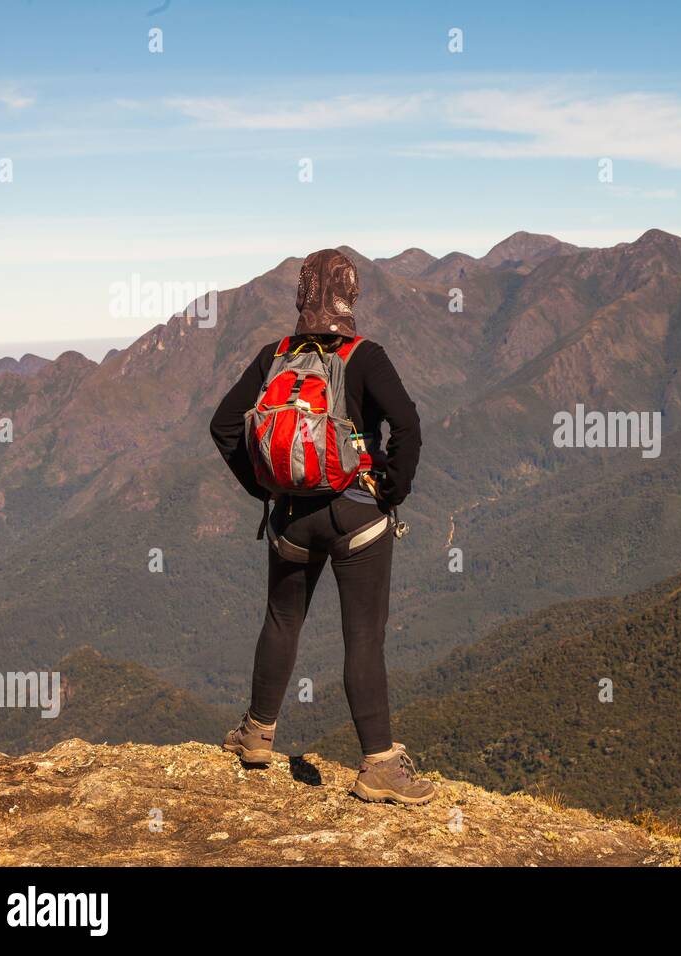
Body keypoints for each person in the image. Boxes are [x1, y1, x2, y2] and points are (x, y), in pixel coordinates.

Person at [209, 248, 433, 804]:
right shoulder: (366, 356)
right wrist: (390, 491)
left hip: (290, 520)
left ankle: (256, 734)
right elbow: (406, 425)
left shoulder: (274, 355)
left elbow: (223, 425)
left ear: (302, 296)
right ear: (350, 296)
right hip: (357, 516)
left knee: (283, 619)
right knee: (363, 636)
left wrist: (264, 487)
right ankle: (379, 766)